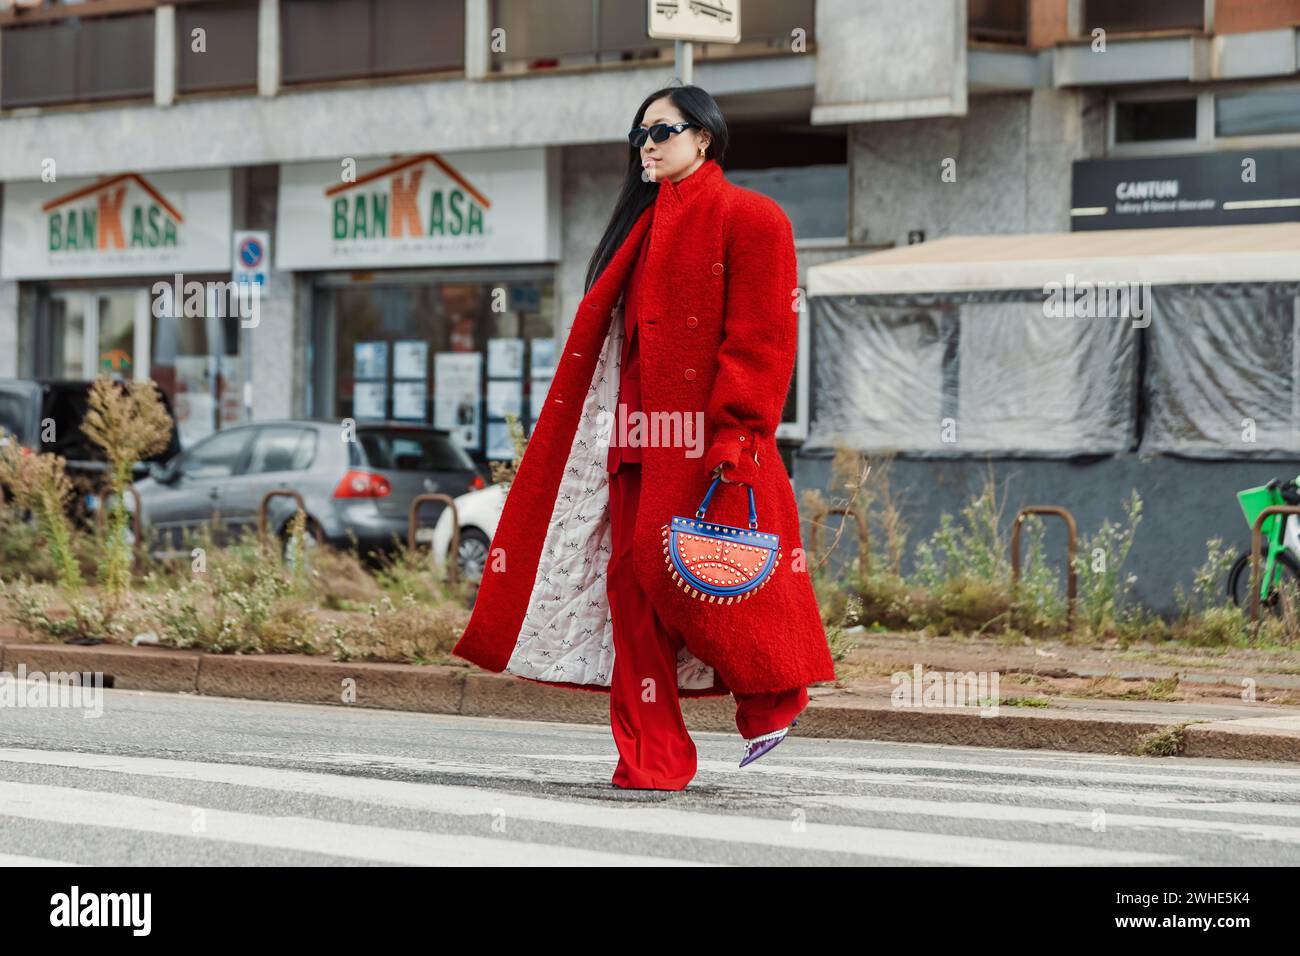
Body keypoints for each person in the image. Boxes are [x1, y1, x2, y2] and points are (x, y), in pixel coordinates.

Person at [451, 84, 837, 792]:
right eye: (640, 136)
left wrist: (738, 437)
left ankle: (773, 696)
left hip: (705, 448)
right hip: (628, 446)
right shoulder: (639, 228)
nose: (648, 146)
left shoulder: (753, 219)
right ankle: (651, 759)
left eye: (662, 131)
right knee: (630, 600)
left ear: (706, 138)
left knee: (704, 581)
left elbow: (761, 342)